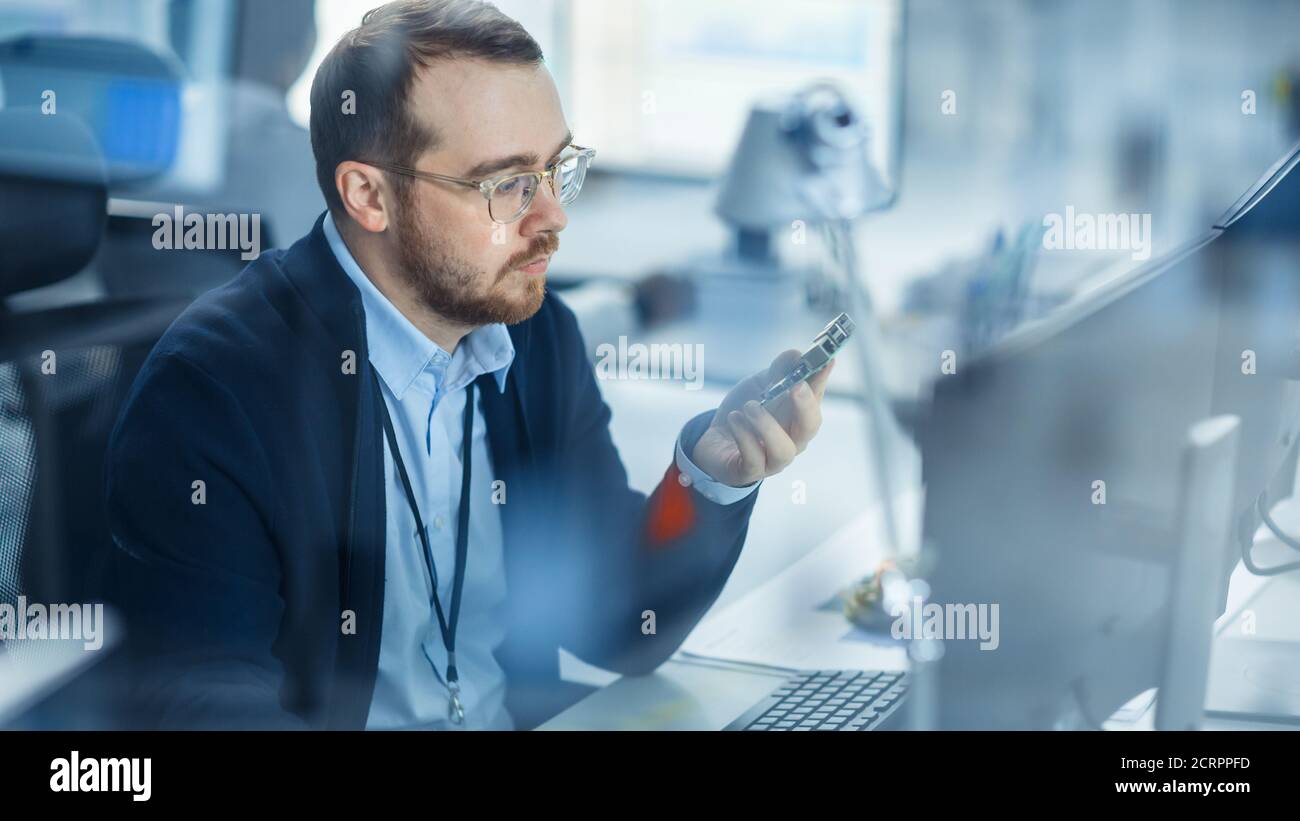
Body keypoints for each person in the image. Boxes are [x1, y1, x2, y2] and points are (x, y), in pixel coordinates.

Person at [105, 0, 834, 730]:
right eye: (508, 184)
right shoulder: (215, 391)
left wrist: (711, 475)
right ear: (370, 195)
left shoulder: (537, 335)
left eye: (556, 171)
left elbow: (619, 616)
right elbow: (206, 707)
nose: (553, 216)